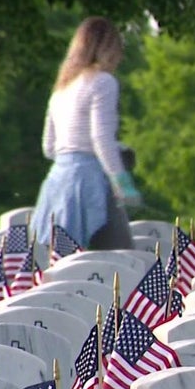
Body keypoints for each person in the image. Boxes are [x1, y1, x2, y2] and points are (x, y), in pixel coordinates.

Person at [31, 16, 140, 250]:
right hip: (88, 182)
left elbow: (49, 147)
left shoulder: (62, 88)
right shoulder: (103, 82)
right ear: (108, 49)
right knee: (113, 261)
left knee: (57, 257)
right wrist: (121, 181)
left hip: (57, 182)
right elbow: (100, 138)